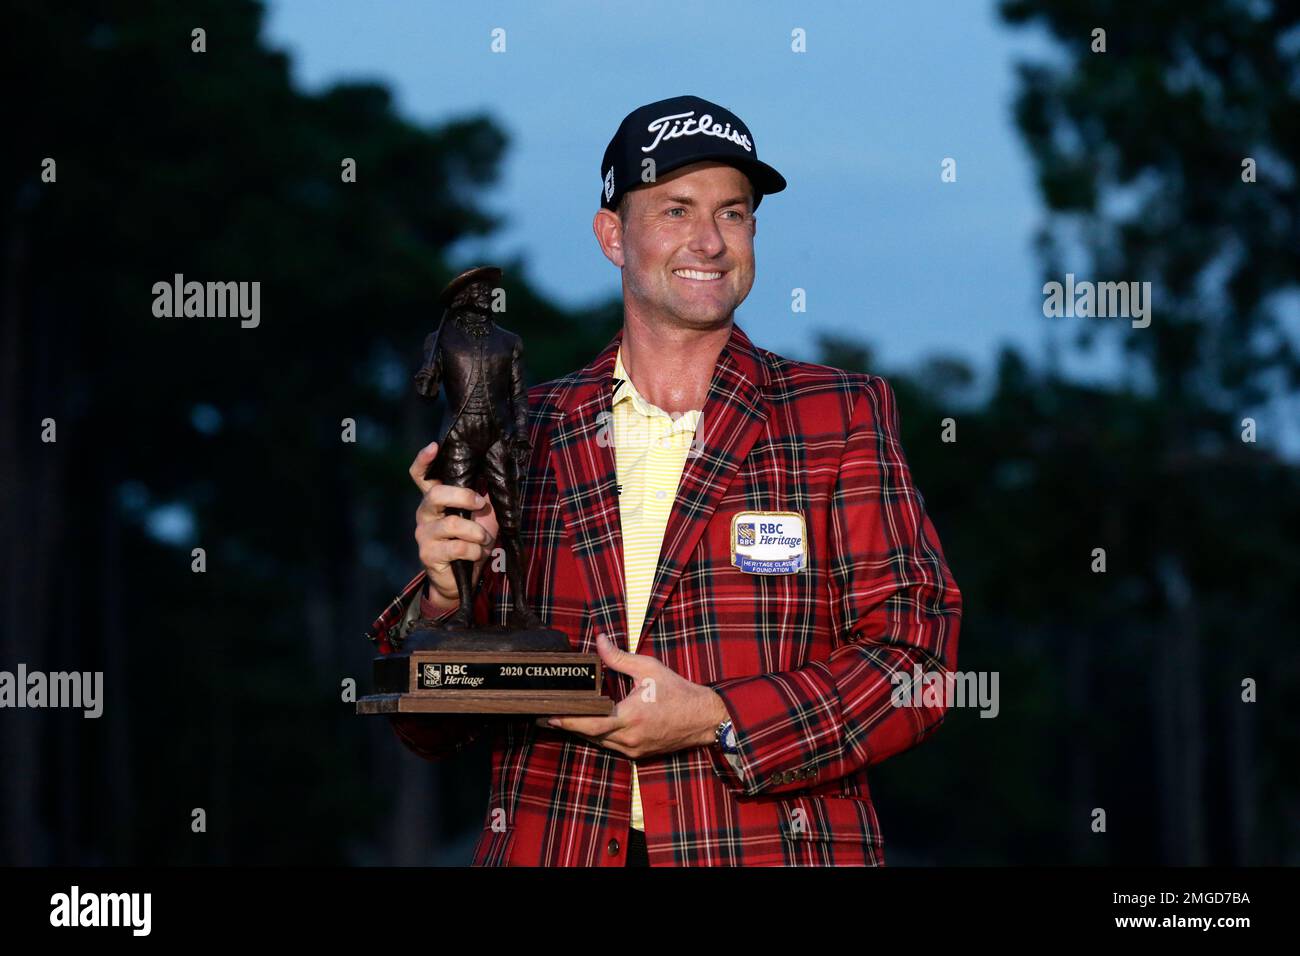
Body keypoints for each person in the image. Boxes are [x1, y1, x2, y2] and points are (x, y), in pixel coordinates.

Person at [366, 95, 962, 866]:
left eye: (734, 213)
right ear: (613, 236)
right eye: (676, 211)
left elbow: (919, 665)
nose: (710, 242)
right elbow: (425, 728)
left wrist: (717, 717)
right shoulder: (530, 427)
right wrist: (447, 595)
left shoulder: (838, 414)